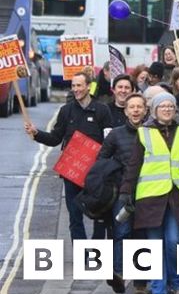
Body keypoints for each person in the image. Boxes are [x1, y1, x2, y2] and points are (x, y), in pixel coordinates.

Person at [24, 70, 113, 240]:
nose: (76, 89)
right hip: (72, 173)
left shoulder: (102, 110)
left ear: (88, 87)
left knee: (100, 216)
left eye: (79, 85)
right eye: (73, 86)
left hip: (96, 173)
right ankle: (82, 256)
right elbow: (55, 138)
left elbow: (109, 142)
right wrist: (36, 133)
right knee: (75, 217)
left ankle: (96, 255)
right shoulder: (66, 111)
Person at [121, 92, 179, 294]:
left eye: (171, 106)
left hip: (177, 197)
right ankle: (160, 292)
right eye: (163, 106)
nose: (167, 109)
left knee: (173, 242)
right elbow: (134, 166)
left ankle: (177, 285)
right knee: (154, 246)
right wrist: (126, 192)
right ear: (155, 110)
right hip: (150, 199)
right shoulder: (144, 134)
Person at [97, 92, 148, 294]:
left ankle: (140, 284)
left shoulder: (151, 132)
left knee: (141, 236)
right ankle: (118, 274)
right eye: (131, 107)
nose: (135, 110)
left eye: (139, 107)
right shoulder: (115, 134)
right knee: (122, 232)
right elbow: (101, 160)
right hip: (122, 193)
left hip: (147, 192)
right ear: (125, 111)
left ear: (145, 110)